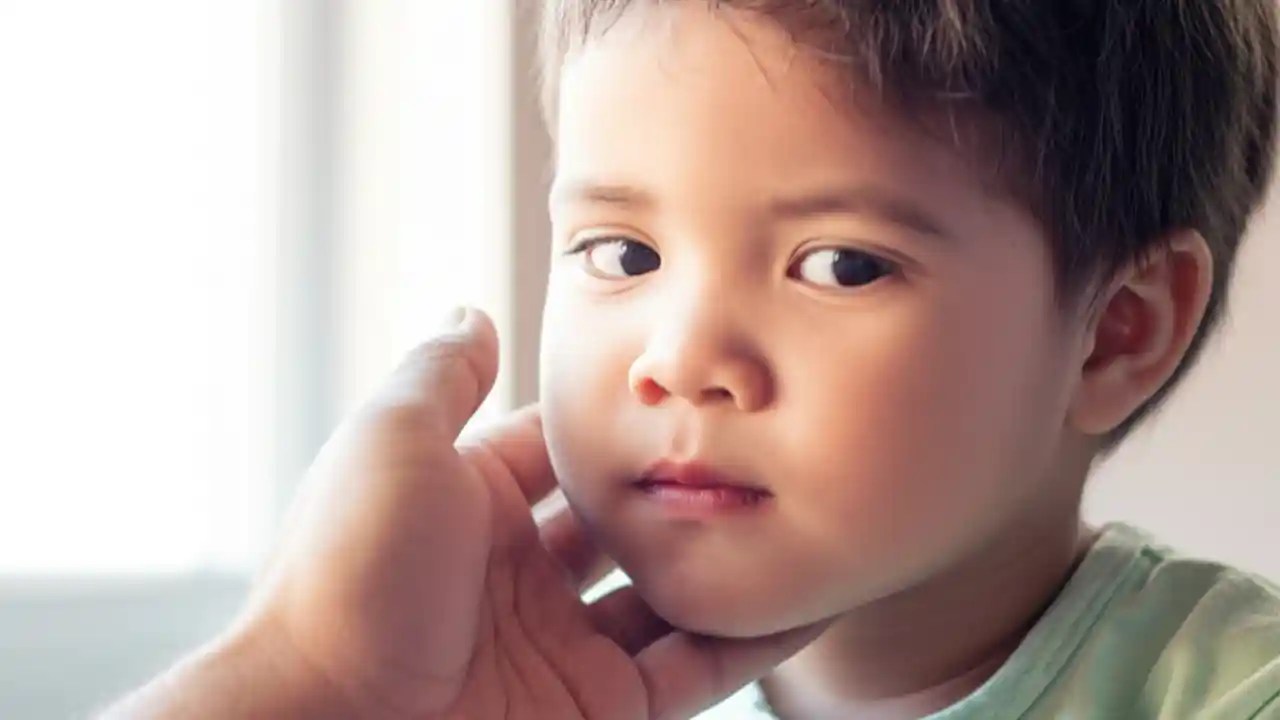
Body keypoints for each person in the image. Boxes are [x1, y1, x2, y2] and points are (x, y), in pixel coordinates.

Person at [112, 1, 1279, 718]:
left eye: (838, 266)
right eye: (620, 252)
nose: (676, 361)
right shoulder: (488, 689)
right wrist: (314, 686)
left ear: (1115, 331)